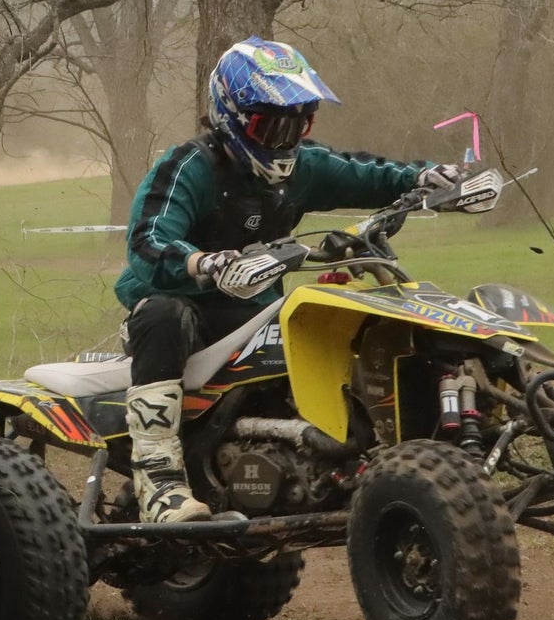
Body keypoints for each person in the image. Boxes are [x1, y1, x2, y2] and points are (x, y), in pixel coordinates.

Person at [113, 37, 458, 524]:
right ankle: (158, 479)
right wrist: (205, 264)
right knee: (163, 313)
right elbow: (147, 240)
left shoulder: (302, 167)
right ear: (232, 116)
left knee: (335, 308)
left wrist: (427, 178)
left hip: (255, 310)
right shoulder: (191, 166)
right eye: (271, 126)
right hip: (181, 312)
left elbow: (369, 174)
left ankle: (347, 455)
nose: (285, 140)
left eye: (299, 125)